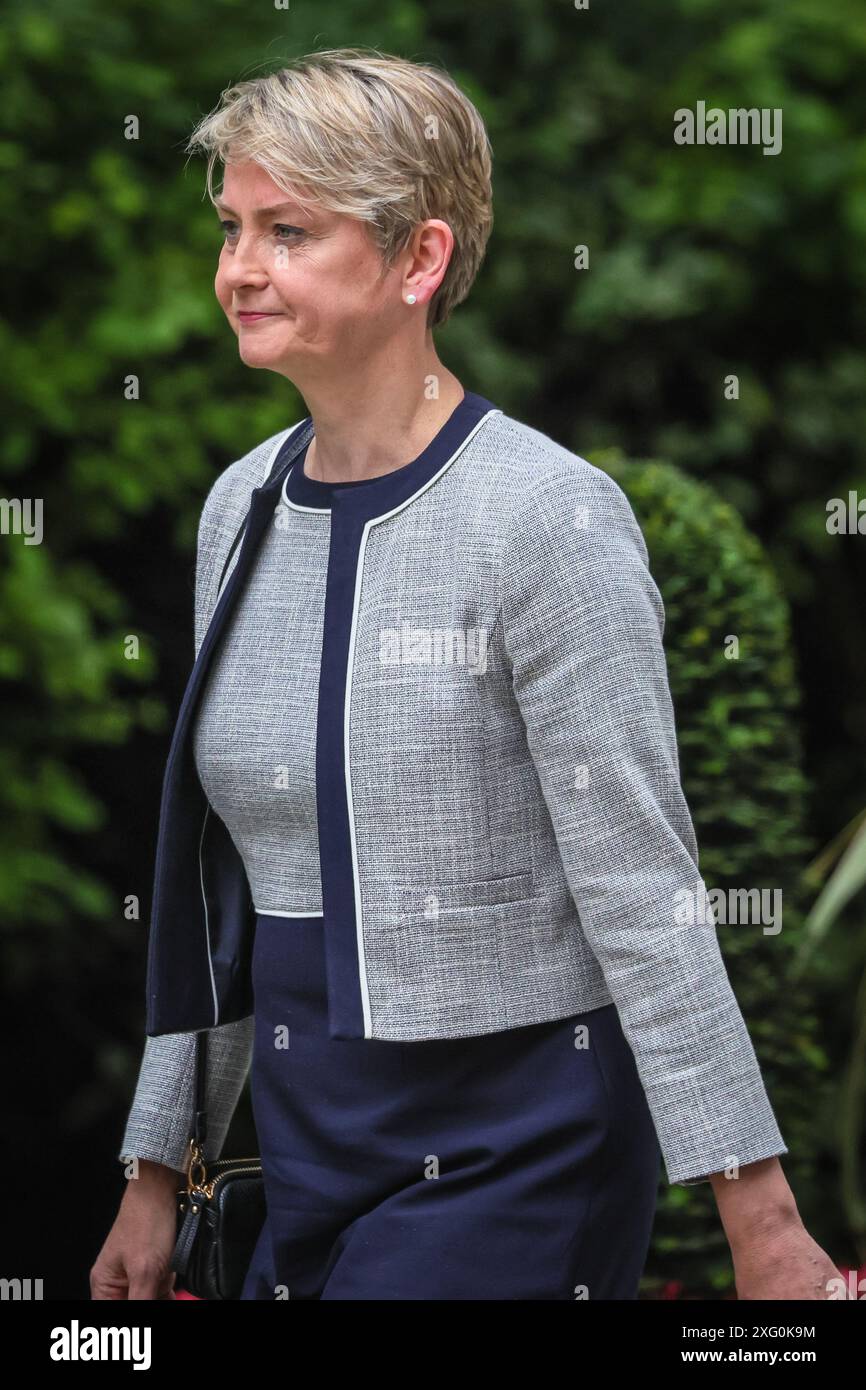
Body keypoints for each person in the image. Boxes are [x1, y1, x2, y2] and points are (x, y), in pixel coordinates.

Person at [92, 46, 842, 1301]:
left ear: (418, 260)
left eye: (287, 230)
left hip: (520, 1138)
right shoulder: (241, 508)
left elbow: (640, 884)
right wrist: (155, 1168)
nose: (238, 269)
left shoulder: (547, 516)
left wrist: (758, 1220)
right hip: (302, 1135)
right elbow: (219, 894)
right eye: (231, 227)